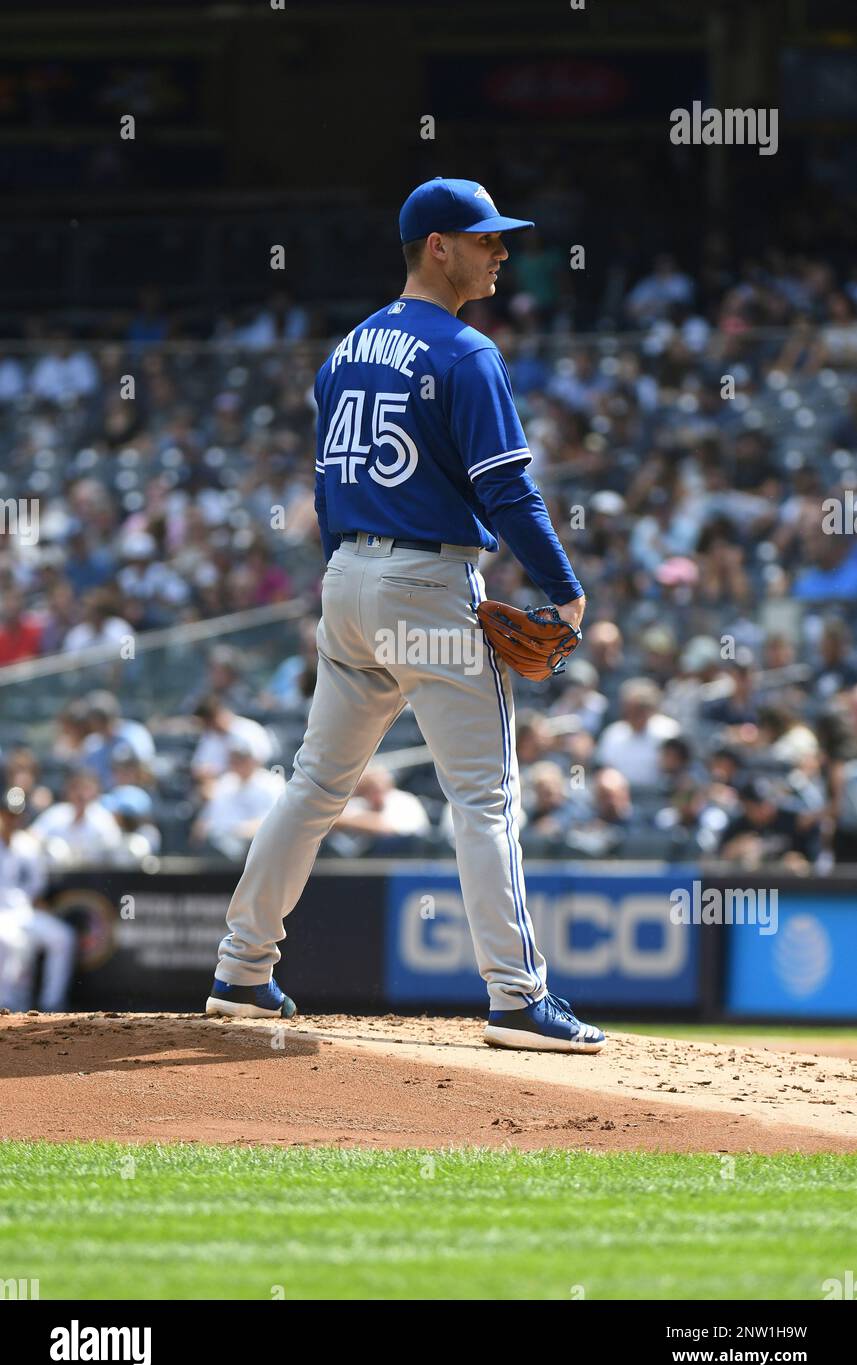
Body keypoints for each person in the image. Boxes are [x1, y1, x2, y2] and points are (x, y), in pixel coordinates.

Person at [206, 177, 605, 1054]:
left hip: (348, 578)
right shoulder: (464, 352)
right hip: (425, 583)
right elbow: (505, 486)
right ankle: (516, 997)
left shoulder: (346, 350)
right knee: (485, 796)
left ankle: (240, 970)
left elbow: (321, 486)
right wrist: (564, 590)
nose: (502, 251)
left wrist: (352, 586)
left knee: (314, 784)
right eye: (485, 238)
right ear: (437, 246)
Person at [0, 786, 77, 1012]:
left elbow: (37, 887)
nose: (13, 819)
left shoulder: (28, 844)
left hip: (25, 913)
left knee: (63, 937)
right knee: (14, 943)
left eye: (17, 814)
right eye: (8, 814)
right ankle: (9, 1006)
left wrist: (39, 904)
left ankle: (52, 1004)